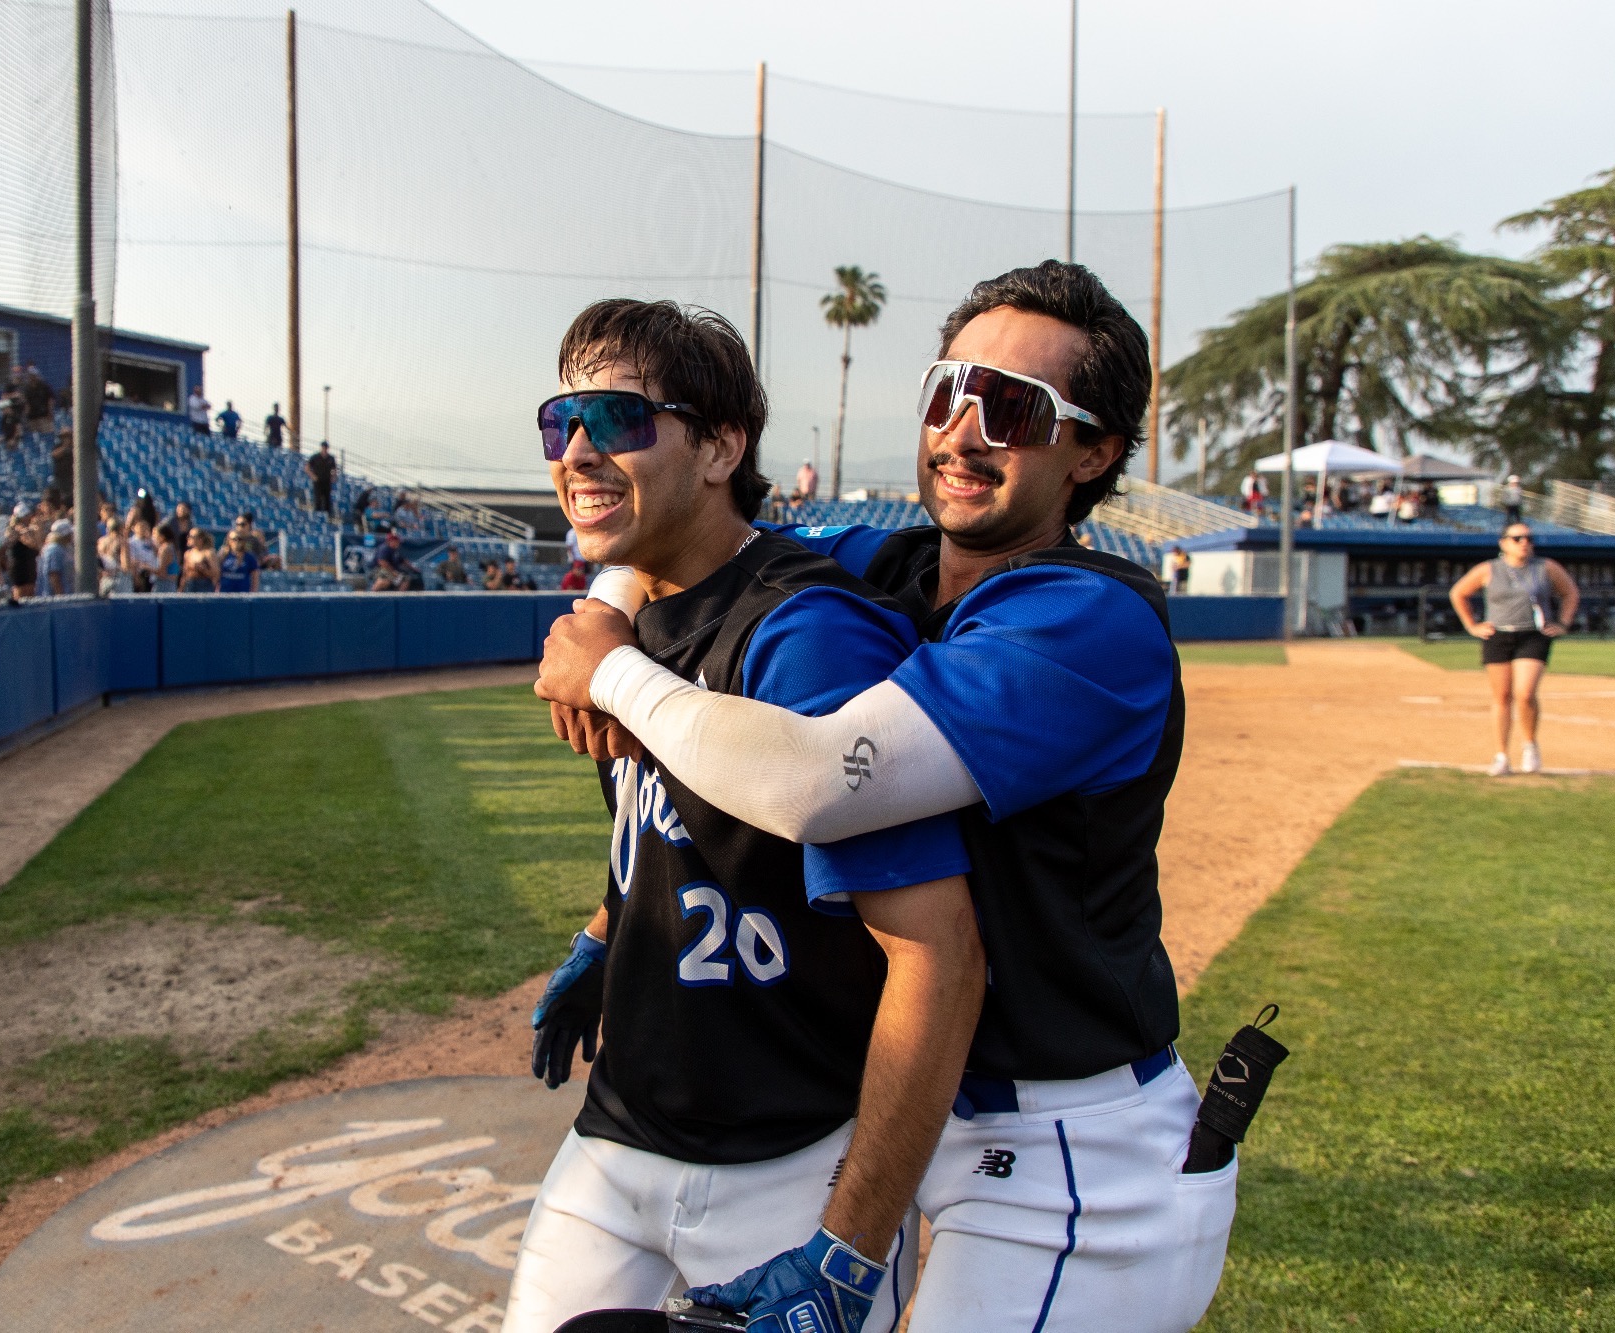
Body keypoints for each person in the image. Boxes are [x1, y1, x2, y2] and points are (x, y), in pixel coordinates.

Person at [538, 263, 1229, 1331]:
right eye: (946, 391)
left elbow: (816, 782)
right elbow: (699, 537)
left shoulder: (1086, 622)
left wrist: (611, 669)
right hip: (928, 1121)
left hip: (1070, 1150)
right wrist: (611, 593)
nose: (961, 430)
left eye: (1010, 408)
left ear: (1090, 452)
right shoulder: (899, 567)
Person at [503, 299, 981, 1333]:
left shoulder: (801, 632)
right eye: (560, 423)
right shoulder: (625, 607)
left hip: (787, 1162)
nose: (578, 450)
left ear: (721, 445)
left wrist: (847, 1248)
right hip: (618, 1133)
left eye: (617, 419)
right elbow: (670, 823)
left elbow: (936, 950)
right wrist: (605, 928)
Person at [1450, 522, 1580, 776]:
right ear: (1504, 543)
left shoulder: (1546, 567)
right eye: (1517, 538)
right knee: (1502, 697)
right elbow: (1459, 593)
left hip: (1533, 635)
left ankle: (1530, 745)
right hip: (1498, 635)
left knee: (1525, 692)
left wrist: (1563, 623)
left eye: (1529, 538)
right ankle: (1501, 755)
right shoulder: (1489, 569)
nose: (1524, 543)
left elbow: (1570, 593)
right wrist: (1472, 625)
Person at [7, 502, 42, 600]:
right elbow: (33, 544)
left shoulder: (28, 530)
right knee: (21, 593)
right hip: (20, 567)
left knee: (31, 592)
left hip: (29, 565)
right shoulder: (17, 530)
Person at [38, 519, 75, 596]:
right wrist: (60, 596)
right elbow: (54, 575)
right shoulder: (54, 550)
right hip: (55, 598)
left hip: (68, 594)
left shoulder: (64, 548)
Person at [218, 529, 261, 593]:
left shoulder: (249, 557)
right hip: (225, 593)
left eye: (240, 539)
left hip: (242, 594)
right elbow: (217, 574)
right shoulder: (223, 555)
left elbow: (255, 577)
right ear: (229, 540)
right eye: (234, 539)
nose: (237, 541)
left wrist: (253, 593)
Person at [21, 364, 56, 442]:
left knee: (47, 437)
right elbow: (26, 403)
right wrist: (26, 415)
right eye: (30, 376)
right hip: (32, 417)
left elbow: (50, 399)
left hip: (44, 416)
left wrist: (50, 411)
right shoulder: (27, 389)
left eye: (33, 375)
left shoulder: (44, 386)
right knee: (35, 438)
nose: (32, 377)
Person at [306, 442, 337, 514]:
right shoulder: (315, 457)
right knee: (318, 499)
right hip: (318, 481)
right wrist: (312, 476)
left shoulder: (331, 458)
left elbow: (334, 469)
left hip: (327, 481)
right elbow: (307, 467)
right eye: (323, 447)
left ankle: (327, 516)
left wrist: (333, 477)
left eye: (326, 448)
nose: (324, 449)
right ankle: (317, 516)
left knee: (327, 500)